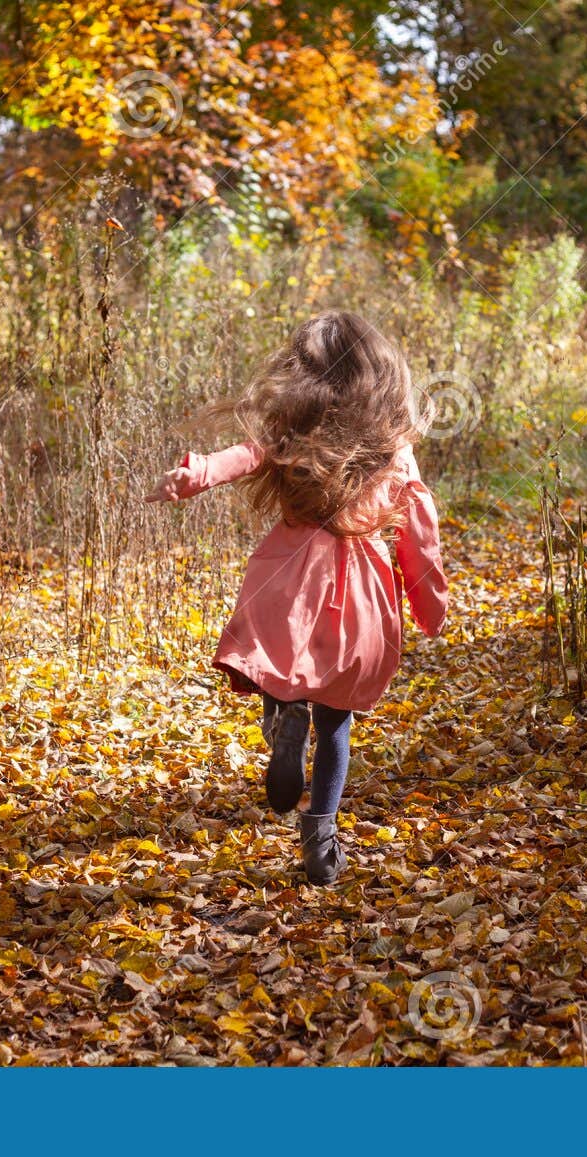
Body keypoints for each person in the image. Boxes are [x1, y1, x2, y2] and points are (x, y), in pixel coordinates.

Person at [145, 311, 449, 884]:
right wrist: (428, 605)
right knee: (337, 724)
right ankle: (321, 840)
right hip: (360, 591)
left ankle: (283, 722)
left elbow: (246, 456)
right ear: (378, 373)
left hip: (288, 577)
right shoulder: (394, 447)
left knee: (276, 674)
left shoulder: (298, 430)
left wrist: (194, 474)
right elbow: (419, 536)